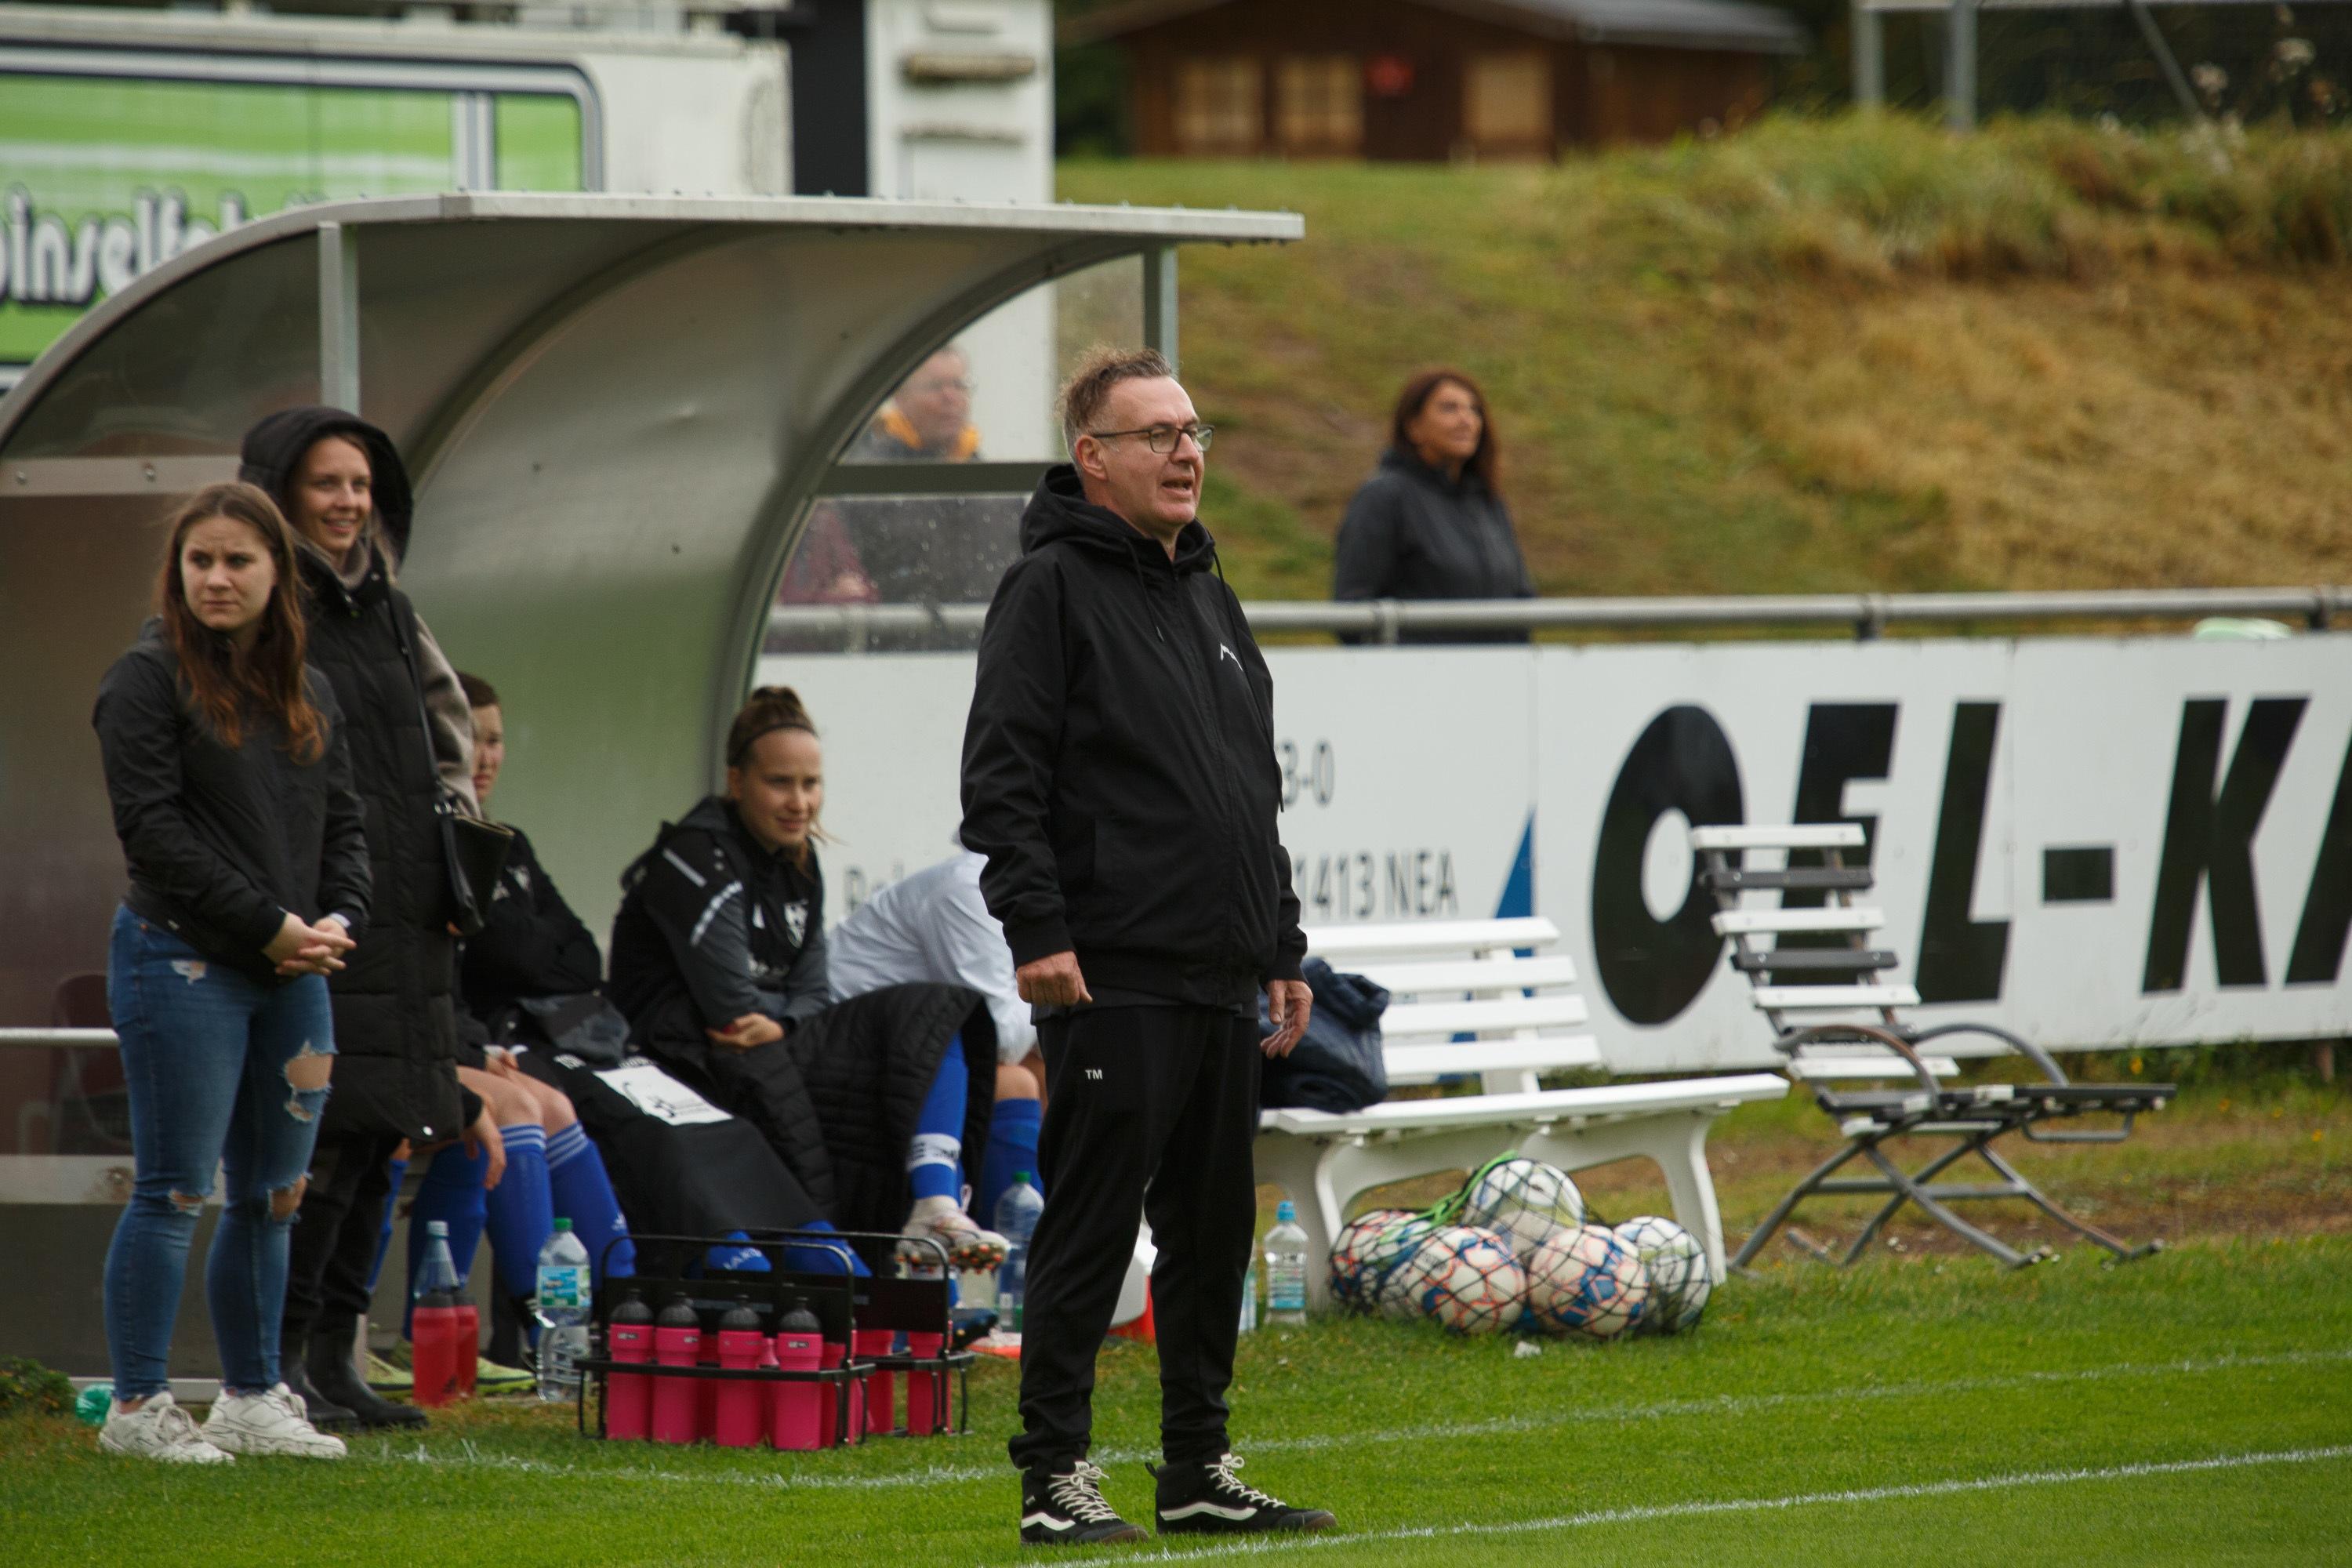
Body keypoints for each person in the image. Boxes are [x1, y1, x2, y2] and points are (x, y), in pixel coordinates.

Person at [960, 345, 1335, 1544]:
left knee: (1213, 1232)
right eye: (1158, 435)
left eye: (1194, 432)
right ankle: (1053, 1479)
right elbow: (1002, 776)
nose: (1186, 452)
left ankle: (1195, 1468)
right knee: (1087, 1222)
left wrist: (1280, 941)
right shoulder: (1049, 590)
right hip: (1112, 966)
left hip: (1224, 970)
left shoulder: (1209, 592)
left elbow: (1248, 791)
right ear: (1095, 458)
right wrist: (1038, 928)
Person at [90, 481, 365, 1463]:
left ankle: (251, 1393)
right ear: (178, 573)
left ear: (276, 576)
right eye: (198, 561)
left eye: (236, 561)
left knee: (274, 1194)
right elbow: (153, 834)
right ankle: (136, 1406)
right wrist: (272, 925)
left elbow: (347, 827)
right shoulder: (144, 677)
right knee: (172, 1189)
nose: (215, 577)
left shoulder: (311, 689)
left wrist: (339, 919)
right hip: (181, 960)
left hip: (295, 968)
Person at [238, 406, 481, 1432]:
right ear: (281, 491)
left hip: (406, 904)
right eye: (327, 484)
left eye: (360, 486)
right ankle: (281, 1365)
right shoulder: (258, 598)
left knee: (389, 1134)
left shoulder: (386, 604)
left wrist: (458, 837)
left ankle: (338, 1358)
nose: (346, 504)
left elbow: (445, 732)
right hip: (319, 910)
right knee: (325, 1145)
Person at [606, 686, 1006, 1269]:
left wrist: (786, 1021)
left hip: (771, 1037)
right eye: (780, 783)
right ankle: (850, 1269)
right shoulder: (698, 853)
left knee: (938, 1011)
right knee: (819, 1071)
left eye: (810, 784)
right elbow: (728, 1005)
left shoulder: (799, 858)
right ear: (737, 781)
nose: (800, 802)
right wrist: (784, 1016)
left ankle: (935, 1203)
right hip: (686, 1051)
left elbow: (815, 988)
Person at [826, 844, 1047, 1225]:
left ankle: (1036, 1239)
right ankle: (1012, 1249)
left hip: (910, 1046)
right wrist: (1059, 990)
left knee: (1060, 1071)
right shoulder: (972, 890)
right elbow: (1001, 1040)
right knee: (1016, 1080)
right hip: (841, 1047)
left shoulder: (1036, 892)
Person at [1330, 368, 1535, 644]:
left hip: (1498, 678)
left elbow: (1521, 596)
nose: (1467, 420)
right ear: (1413, 427)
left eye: (1474, 410)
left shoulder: (1487, 501)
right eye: (1450, 408)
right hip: (1420, 680)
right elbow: (1352, 611)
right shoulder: (1385, 498)